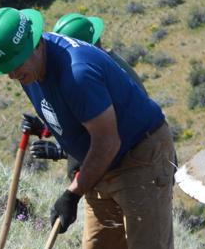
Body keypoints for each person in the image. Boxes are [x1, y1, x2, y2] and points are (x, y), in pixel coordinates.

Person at [0, 6, 187, 249]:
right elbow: (74, 125)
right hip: (102, 164)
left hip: (139, 156)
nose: (13, 74)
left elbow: (108, 142)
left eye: (16, 64)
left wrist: (72, 193)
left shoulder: (77, 71)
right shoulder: (32, 73)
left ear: (33, 43)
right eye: (7, 68)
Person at [29, 13, 146, 173]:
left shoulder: (92, 76)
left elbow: (107, 135)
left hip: (130, 168)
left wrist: (62, 151)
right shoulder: (90, 70)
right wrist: (45, 128)